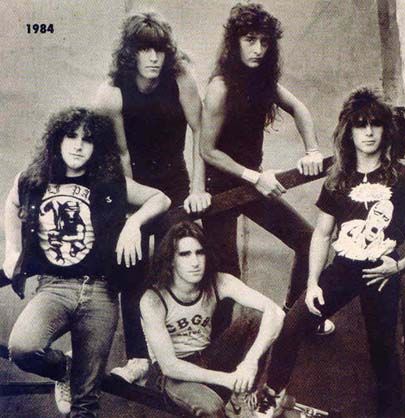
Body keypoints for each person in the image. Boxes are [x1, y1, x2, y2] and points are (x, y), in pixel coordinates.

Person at [253, 88, 405, 418]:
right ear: (349, 131)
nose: (368, 132)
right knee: (292, 324)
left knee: (384, 357)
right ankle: (270, 399)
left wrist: (401, 264)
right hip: (343, 269)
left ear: (385, 129)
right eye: (360, 124)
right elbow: (322, 233)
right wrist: (312, 284)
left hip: (380, 274)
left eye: (375, 124)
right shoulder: (339, 178)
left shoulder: (403, 178)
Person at [5, 108, 171, 417]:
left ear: (98, 146)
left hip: (100, 293)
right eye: (71, 136)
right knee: (23, 348)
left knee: (85, 402)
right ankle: (66, 368)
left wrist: (133, 224)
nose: (78, 146)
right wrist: (12, 251)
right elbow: (12, 203)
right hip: (54, 288)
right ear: (57, 139)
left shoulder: (110, 182)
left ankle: (77, 378)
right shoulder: (33, 179)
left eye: (88, 139)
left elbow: (161, 198)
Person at [200, 2, 333, 335]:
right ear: (234, 43)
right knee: (227, 276)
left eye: (264, 41)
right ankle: (216, 349)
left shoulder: (262, 81)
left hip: (253, 184)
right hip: (220, 192)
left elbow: (299, 108)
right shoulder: (220, 87)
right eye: (250, 40)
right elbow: (207, 151)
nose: (258, 49)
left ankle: (295, 318)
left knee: (308, 241)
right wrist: (254, 177)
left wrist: (312, 150)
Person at [94, 11, 211, 380]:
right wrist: (131, 210)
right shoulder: (111, 93)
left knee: (173, 260)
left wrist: (198, 189)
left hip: (176, 187)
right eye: (144, 49)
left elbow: (201, 134)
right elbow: (120, 154)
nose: (153, 58)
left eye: (159, 49)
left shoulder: (181, 78)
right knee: (129, 264)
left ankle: (175, 350)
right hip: (135, 189)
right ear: (130, 53)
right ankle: (137, 357)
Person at [140, 221, 285, 417]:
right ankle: (231, 396)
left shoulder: (219, 281)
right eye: (185, 254)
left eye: (199, 253)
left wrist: (249, 363)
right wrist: (227, 379)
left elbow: (275, 312)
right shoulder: (153, 299)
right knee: (212, 407)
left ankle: (244, 395)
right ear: (171, 260)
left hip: (208, 356)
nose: (195, 262)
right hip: (174, 377)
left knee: (255, 318)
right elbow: (169, 366)